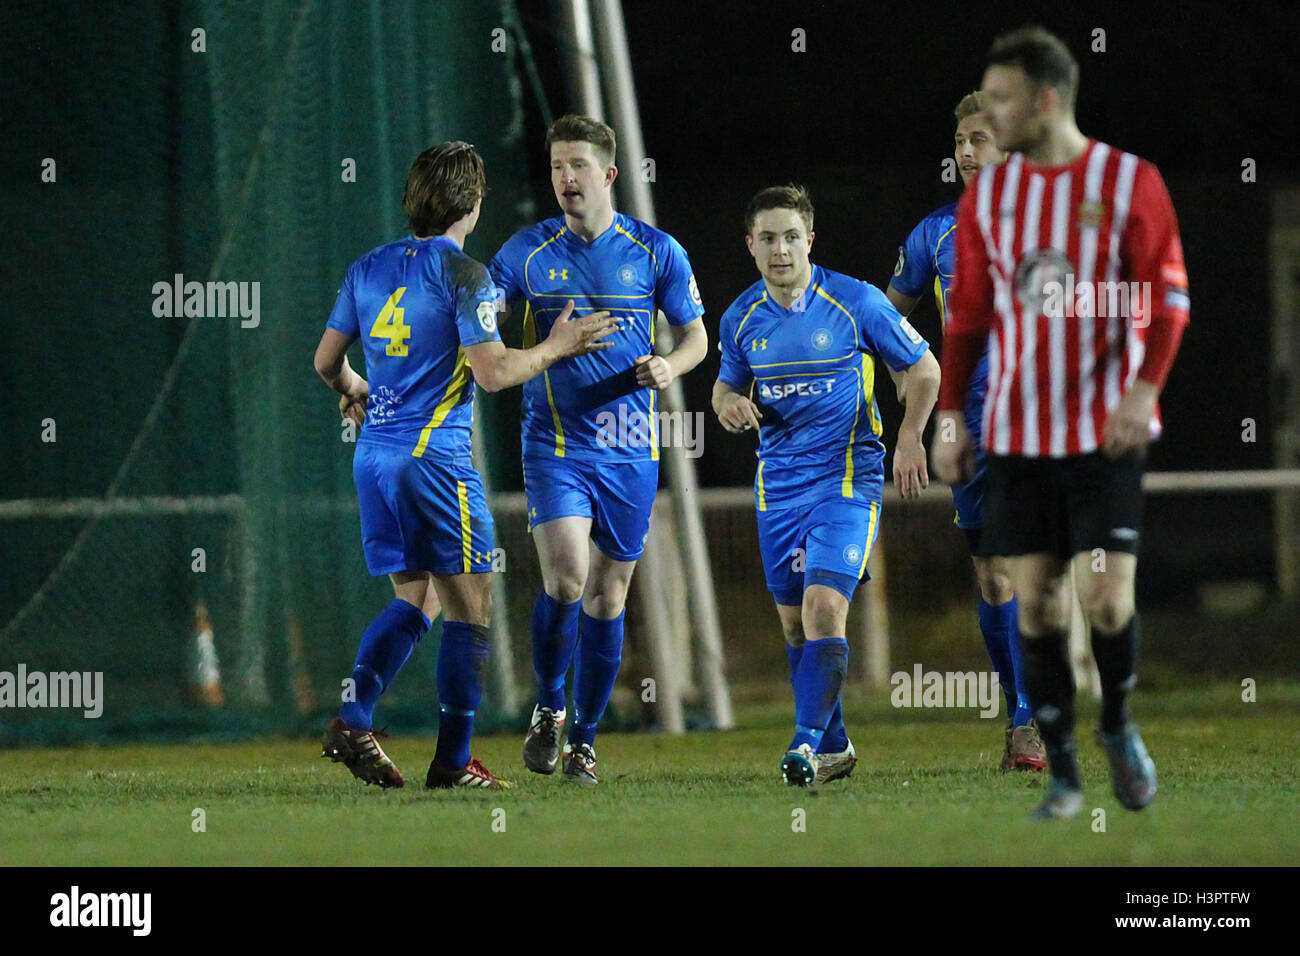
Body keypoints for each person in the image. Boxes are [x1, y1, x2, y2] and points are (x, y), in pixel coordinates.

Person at [932, 27, 1190, 819]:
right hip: (1014, 433)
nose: (991, 115)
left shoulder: (1126, 180)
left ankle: (1115, 724)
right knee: (1037, 602)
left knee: (1106, 600)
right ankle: (1065, 770)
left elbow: (1169, 296)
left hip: (1102, 433)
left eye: (1003, 98)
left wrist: (1144, 391)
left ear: (1046, 100)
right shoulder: (990, 201)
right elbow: (969, 315)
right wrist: (950, 414)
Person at [313, 141, 616, 790]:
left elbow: (325, 363)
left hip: (374, 459)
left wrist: (357, 392)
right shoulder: (464, 274)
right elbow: (495, 370)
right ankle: (452, 763)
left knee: (416, 600)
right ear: (472, 204)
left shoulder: (367, 267)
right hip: (434, 461)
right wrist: (558, 343)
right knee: (469, 608)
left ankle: (353, 716)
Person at [489, 115, 708, 786]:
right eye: (557, 167)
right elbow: (482, 322)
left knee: (610, 597)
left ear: (609, 174)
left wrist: (672, 366)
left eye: (578, 165)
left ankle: (584, 740)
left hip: (630, 450)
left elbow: (696, 337)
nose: (565, 178)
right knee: (566, 577)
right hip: (554, 443)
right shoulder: (525, 253)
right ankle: (550, 706)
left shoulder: (655, 249)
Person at [713, 184, 940, 786]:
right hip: (778, 489)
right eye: (768, 238)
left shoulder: (855, 302)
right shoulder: (740, 318)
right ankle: (835, 745)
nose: (780, 249)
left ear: (810, 241)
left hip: (846, 481)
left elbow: (923, 367)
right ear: (751, 246)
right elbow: (723, 388)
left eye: (791, 236)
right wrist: (729, 404)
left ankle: (804, 744)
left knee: (824, 608)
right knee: (795, 625)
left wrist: (912, 435)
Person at [885, 92, 1045, 772]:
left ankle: (1032, 723)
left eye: (982, 139)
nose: (967, 153)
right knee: (990, 577)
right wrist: (910, 408)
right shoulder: (935, 235)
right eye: (961, 142)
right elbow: (886, 320)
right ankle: (1019, 715)